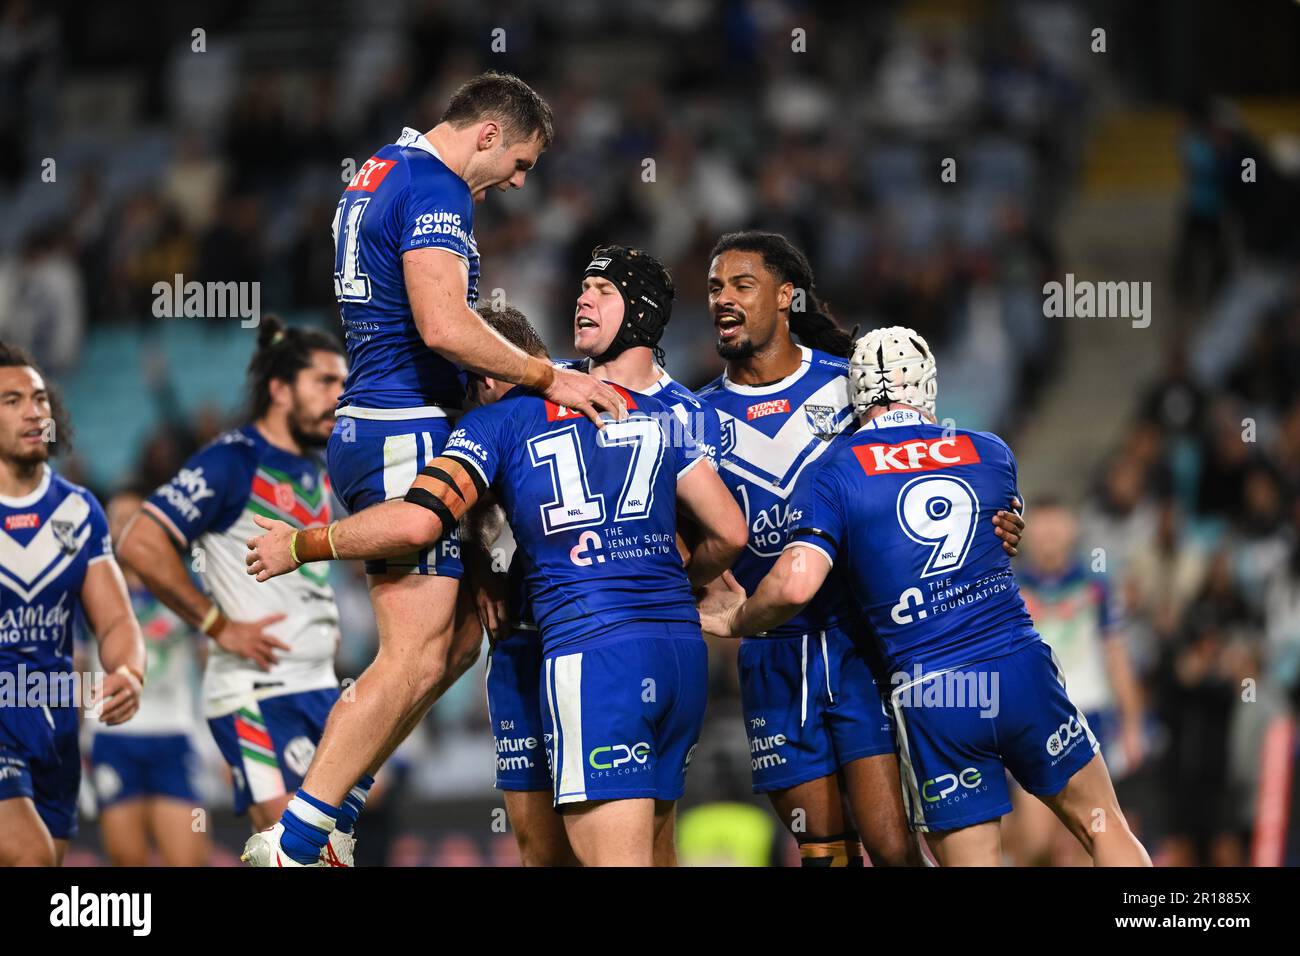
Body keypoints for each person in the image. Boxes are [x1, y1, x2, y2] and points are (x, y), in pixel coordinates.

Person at [249, 71, 628, 867]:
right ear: (487, 134)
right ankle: (293, 842)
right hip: (400, 428)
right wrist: (547, 375)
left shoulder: (379, 170)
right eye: (519, 164)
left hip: (380, 422)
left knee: (454, 645)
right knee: (413, 654)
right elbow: (444, 324)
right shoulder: (435, 186)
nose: (516, 183)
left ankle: (336, 805)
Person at [245, 306, 748, 866]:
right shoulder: (631, 401)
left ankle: (300, 837)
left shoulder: (493, 422)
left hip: (568, 645)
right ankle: (335, 815)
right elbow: (726, 530)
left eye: (463, 388)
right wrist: (678, 583)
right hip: (614, 646)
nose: (458, 409)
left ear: (484, 371)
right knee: (646, 845)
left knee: (565, 852)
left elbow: (419, 519)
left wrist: (300, 544)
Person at [698, 326, 1151, 866]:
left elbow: (797, 582)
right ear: (929, 386)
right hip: (1018, 667)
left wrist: (739, 619)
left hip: (934, 695)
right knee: (1105, 827)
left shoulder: (834, 473)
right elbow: (1002, 526)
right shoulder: (990, 452)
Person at [697, 231, 1025, 866]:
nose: (722, 300)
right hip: (771, 653)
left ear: (786, 296)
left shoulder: (851, 388)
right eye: (714, 288)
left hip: (862, 642)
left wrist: (997, 520)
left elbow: (936, 470)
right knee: (821, 850)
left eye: (742, 284)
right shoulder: (692, 414)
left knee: (893, 847)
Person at [477, 246, 721, 866]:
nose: (582, 299)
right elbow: (474, 465)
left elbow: (714, 535)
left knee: (643, 844)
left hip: (610, 643)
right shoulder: (548, 381)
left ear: (639, 311)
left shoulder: (688, 414)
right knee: (541, 846)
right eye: (581, 287)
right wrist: (484, 567)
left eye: (602, 290)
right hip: (528, 639)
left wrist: (673, 582)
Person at [117, 318, 355, 865]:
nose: (339, 397)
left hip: (316, 688)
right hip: (256, 693)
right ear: (279, 389)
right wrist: (218, 626)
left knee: (322, 855)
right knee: (302, 857)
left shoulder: (315, 466)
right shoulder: (231, 459)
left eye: (344, 383)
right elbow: (141, 542)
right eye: (324, 382)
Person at [0, 342, 145, 866]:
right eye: (11, 400)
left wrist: (128, 671)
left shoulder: (79, 511)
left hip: (56, 727)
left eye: (39, 398)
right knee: (29, 854)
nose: (34, 411)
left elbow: (115, 622)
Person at [1004, 498, 1145, 866]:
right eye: (1043, 524)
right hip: (1032, 722)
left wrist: (1132, 724)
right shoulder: (1009, 588)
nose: (1050, 533)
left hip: (1089, 720)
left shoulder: (1096, 588)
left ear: (1072, 528)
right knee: (1034, 842)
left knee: (1092, 835)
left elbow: (1116, 657)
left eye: (1057, 523)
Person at [83, 489, 211, 867]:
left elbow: (209, 662)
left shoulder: (186, 582)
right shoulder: (87, 584)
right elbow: (72, 666)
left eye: (134, 517)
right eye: (117, 519)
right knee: (126, 859)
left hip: (174, 733)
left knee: (188, 859)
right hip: (111, 736)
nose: (125, 527)